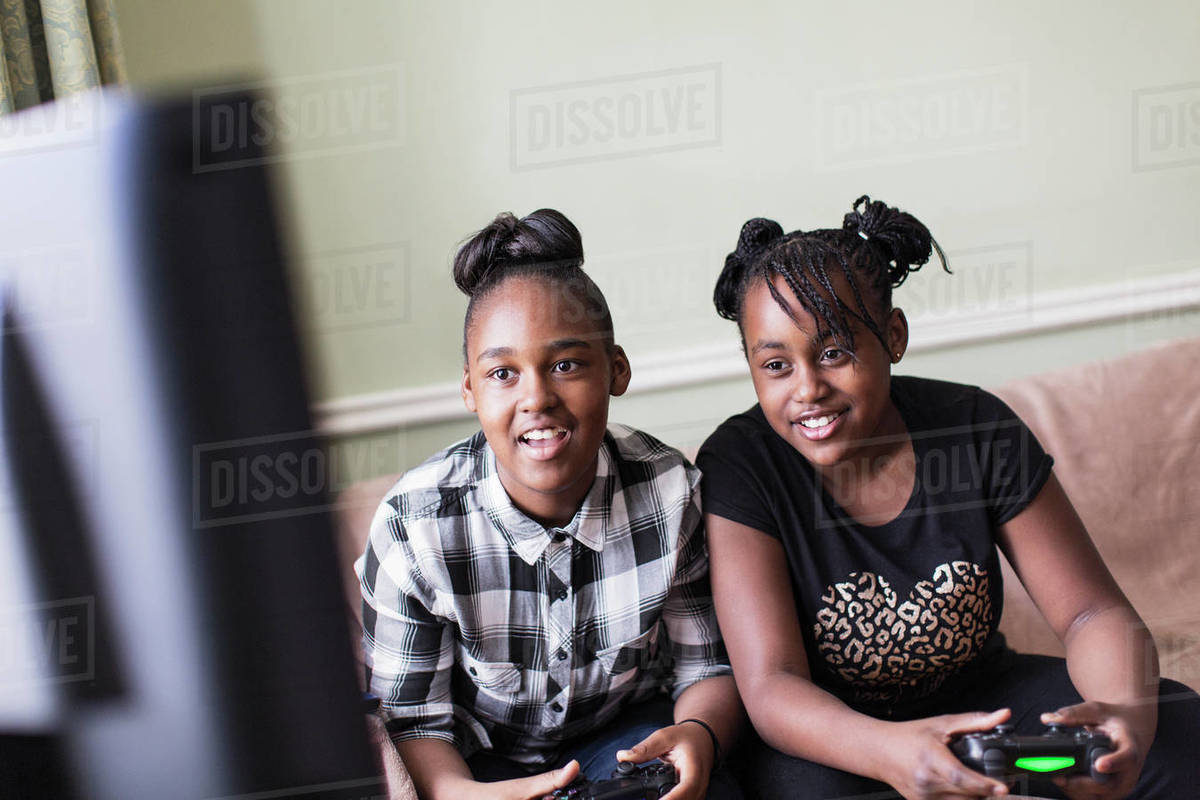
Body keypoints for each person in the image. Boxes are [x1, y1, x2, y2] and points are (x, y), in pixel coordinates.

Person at [695, 196, 1200, 800]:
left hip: (983, 699)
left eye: (833, 352)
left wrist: (1122, 719)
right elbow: (772, 684)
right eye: (776, 365)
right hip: (835, 735)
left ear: (893, 335)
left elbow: (1092, 613)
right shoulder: (741, 464)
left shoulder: (973, 428)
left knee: (1179, 726)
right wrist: (893, 754)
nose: (808, 388)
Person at [356, 209, 744, 800]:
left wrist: (698, 733)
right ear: (470, 390)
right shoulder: (416, 529)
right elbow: (414, 719)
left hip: (622, 740)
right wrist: (461, 793)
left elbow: (707, 666)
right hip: (476, 761)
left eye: (566, 365)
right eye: (503, 373)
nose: (536, 397)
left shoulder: (672, 496)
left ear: (616, 369)